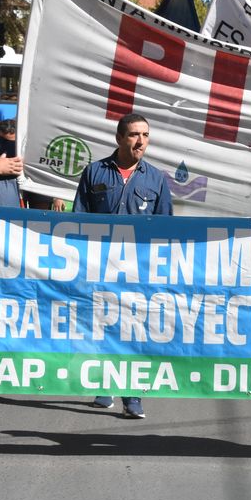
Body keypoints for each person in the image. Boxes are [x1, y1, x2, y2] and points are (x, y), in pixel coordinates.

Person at [74, 113, 172, 418]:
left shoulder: (156, 178)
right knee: (102, 326)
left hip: (137, 269)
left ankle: (133, 396)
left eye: (145, 134)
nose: (140, 141)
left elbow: (166, 229)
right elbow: (79, 220)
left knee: (133, 331)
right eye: (133, 135)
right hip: (100, 266)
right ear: (119, 138)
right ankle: (104, 385)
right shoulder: (94, 172)